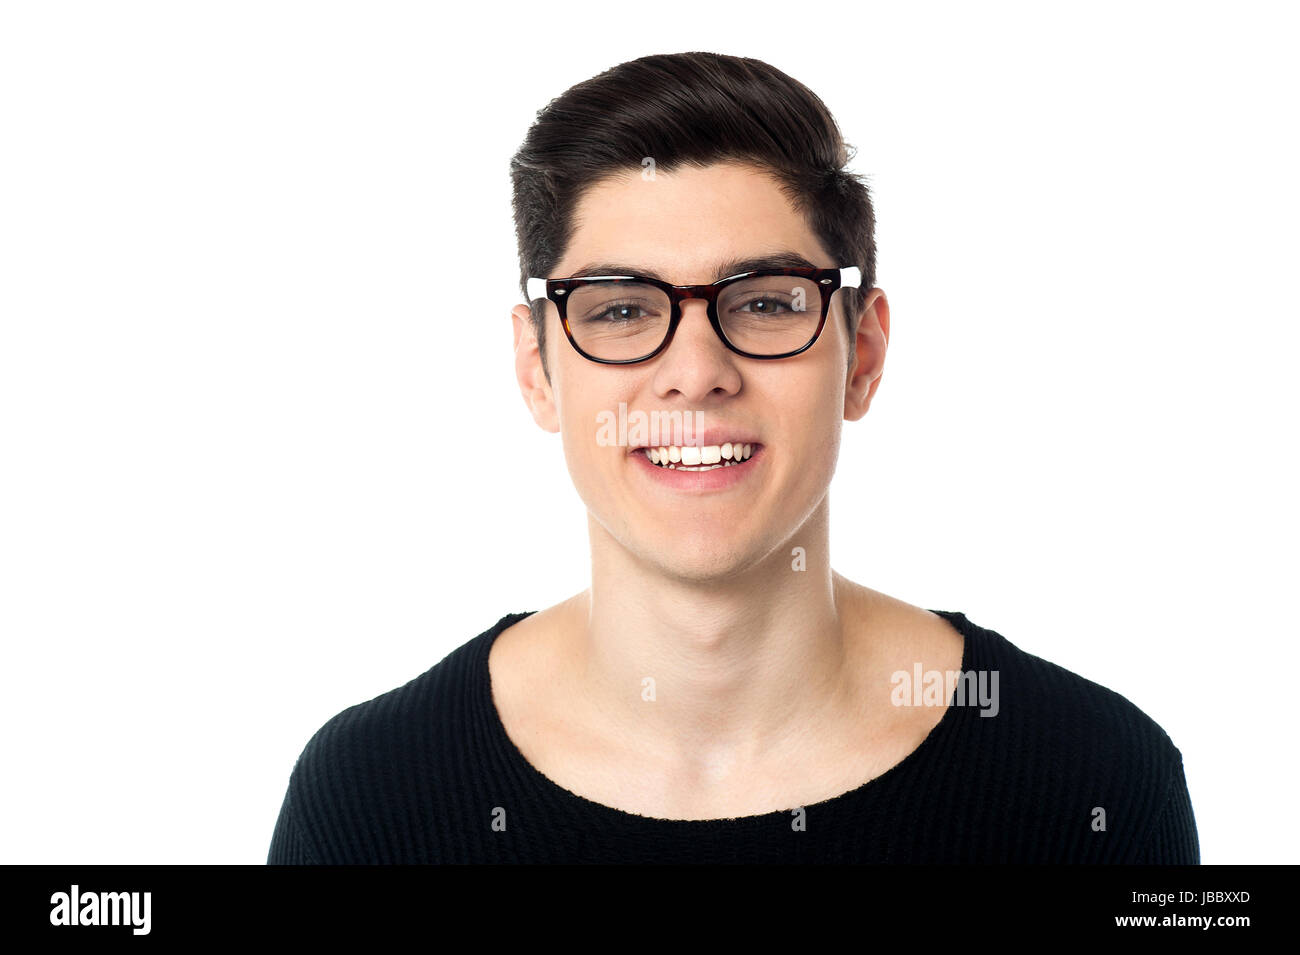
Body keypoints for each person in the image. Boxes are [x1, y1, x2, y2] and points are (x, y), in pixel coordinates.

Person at [267, 51, 1198, 864]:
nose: (695, 374)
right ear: (537, 369)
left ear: (861, 356)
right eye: (622, 309)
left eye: (764, 302)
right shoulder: (367, 797)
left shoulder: (1094, 779)